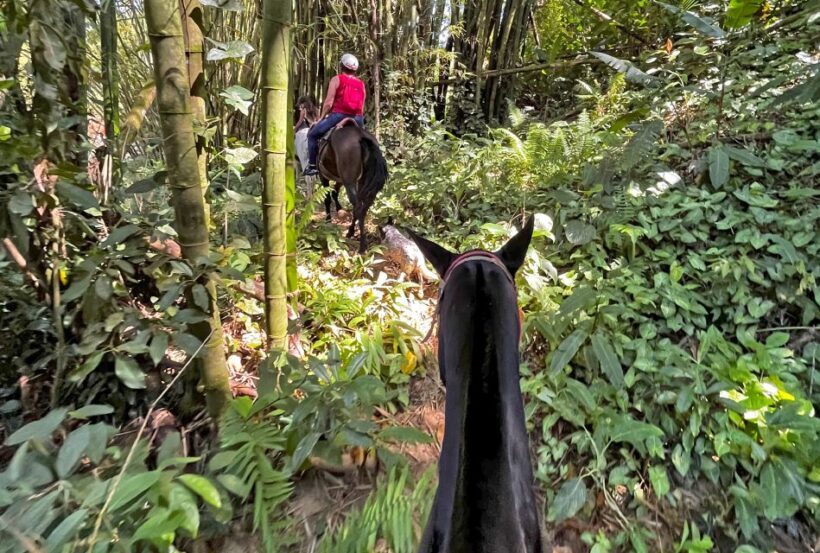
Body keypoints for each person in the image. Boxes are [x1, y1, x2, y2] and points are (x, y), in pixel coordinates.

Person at [303, 53, 366, 176]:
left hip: (338, 115)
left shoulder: (337, 79)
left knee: (312, 135)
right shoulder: (361, 84)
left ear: (341, 66)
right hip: (358, 117)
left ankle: (312, 166)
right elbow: (362, 105)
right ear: (355, 69)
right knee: (366, 141)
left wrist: (321, 119)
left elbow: (328, 103)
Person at [294, 96, 320, 197]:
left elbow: (300, 121)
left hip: (309, 130)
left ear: (303, 104)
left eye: (300, 105)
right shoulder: (316, 110)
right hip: (316, 129)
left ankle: (309, 193)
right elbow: (318, 121)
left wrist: (294, 130)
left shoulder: (304, 111)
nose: (300, 107)